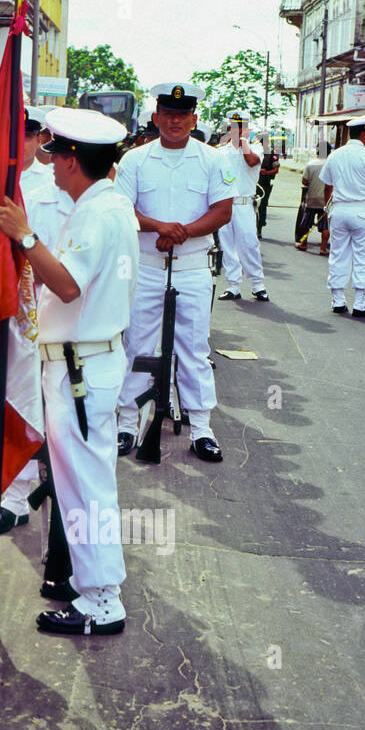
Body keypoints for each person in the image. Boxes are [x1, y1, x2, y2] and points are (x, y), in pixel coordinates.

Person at [0, 107, 138, 635]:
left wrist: (26, 238)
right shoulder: (108, 203)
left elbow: (69, 285)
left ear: (74, 161)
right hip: (86, 361)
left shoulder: (97, 213)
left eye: (56, 156)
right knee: (83, 483)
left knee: (86, 486)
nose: (50, 166)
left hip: (81, 367)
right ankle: (92, 588)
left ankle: (102, 600)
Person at [114, 82, 234, 462]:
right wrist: (160, 227)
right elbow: (122, 210)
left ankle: (201, 428)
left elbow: (222, 211)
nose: (175, 121)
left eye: (183, 115)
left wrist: (179, 232)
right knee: (137, 344)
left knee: (194, 348)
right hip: (147, 266)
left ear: (194, 119)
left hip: (193, 266)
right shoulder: (135, 160)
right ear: (156, 118)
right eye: (168, 114)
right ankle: (127, 422)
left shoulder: (215, 159)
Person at [0, 106, 73, 537]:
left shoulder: (104, 205)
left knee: (65, 421)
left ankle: (63, 501)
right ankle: (14, 498)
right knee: (19, 404)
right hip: (29, 318)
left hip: (77, 328)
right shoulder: (29, 198)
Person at [319, 112, 365, 317]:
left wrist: (328, 209)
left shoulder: (335, 155)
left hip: (340, 210)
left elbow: (328, 186)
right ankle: (360, 304)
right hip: (362, 210)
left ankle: (338, 300)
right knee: (364, 257)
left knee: (338, 254)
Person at [216, 110, 269, 302]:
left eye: (243, 127)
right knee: (227, 245)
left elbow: (252, 162)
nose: (238, 130)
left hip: (244, 203)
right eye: (235, 127)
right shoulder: (221, 152)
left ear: (248, 129)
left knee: (249, 243)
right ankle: (233, 285)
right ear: (229, 129)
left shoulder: (256, 149)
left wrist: (243, 142)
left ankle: (258, 285)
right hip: (226, 203)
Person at [296, 140, 332, 255]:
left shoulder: (310, 164)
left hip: (312, 199)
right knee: (325, 225)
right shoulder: (331, 164)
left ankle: (304, 244)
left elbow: (304, 181)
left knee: (306, 223)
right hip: (326, 201)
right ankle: (322, 248)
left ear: (317, 151)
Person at [256, 132, 280, 236]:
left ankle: (259, 228)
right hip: (252, 183)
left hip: (264, 183)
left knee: (262, 206)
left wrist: (266, 172)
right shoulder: (254, 152)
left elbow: (276, 169)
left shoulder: (272, 154)